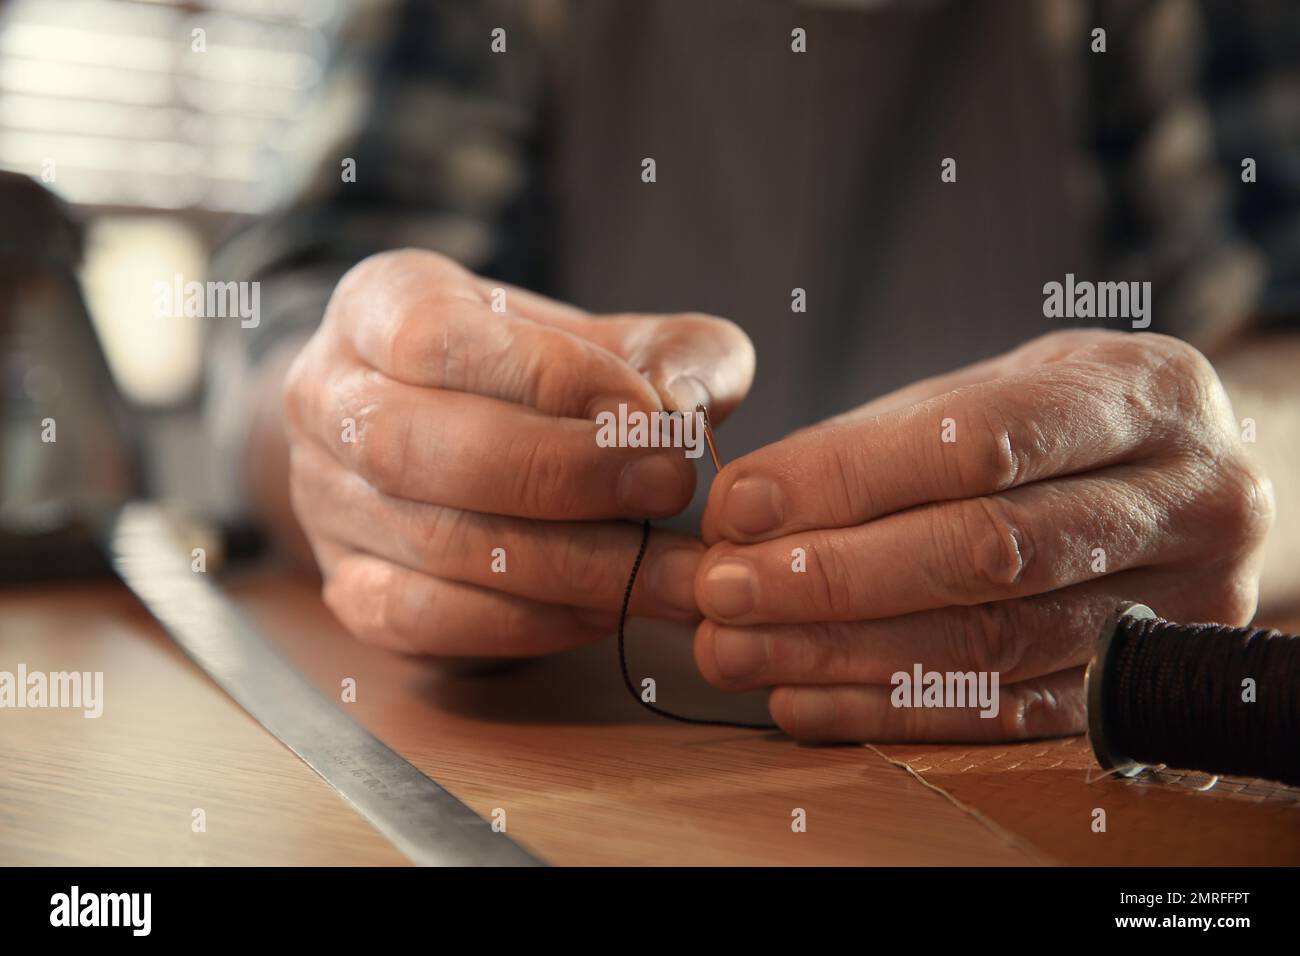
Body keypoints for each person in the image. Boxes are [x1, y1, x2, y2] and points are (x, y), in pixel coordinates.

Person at [209, 0, 1300, 741]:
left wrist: (1213, 468)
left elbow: (1280, 327)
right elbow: (300, 315)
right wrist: (360, 436)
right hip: (580, 753)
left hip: (1021, 763)